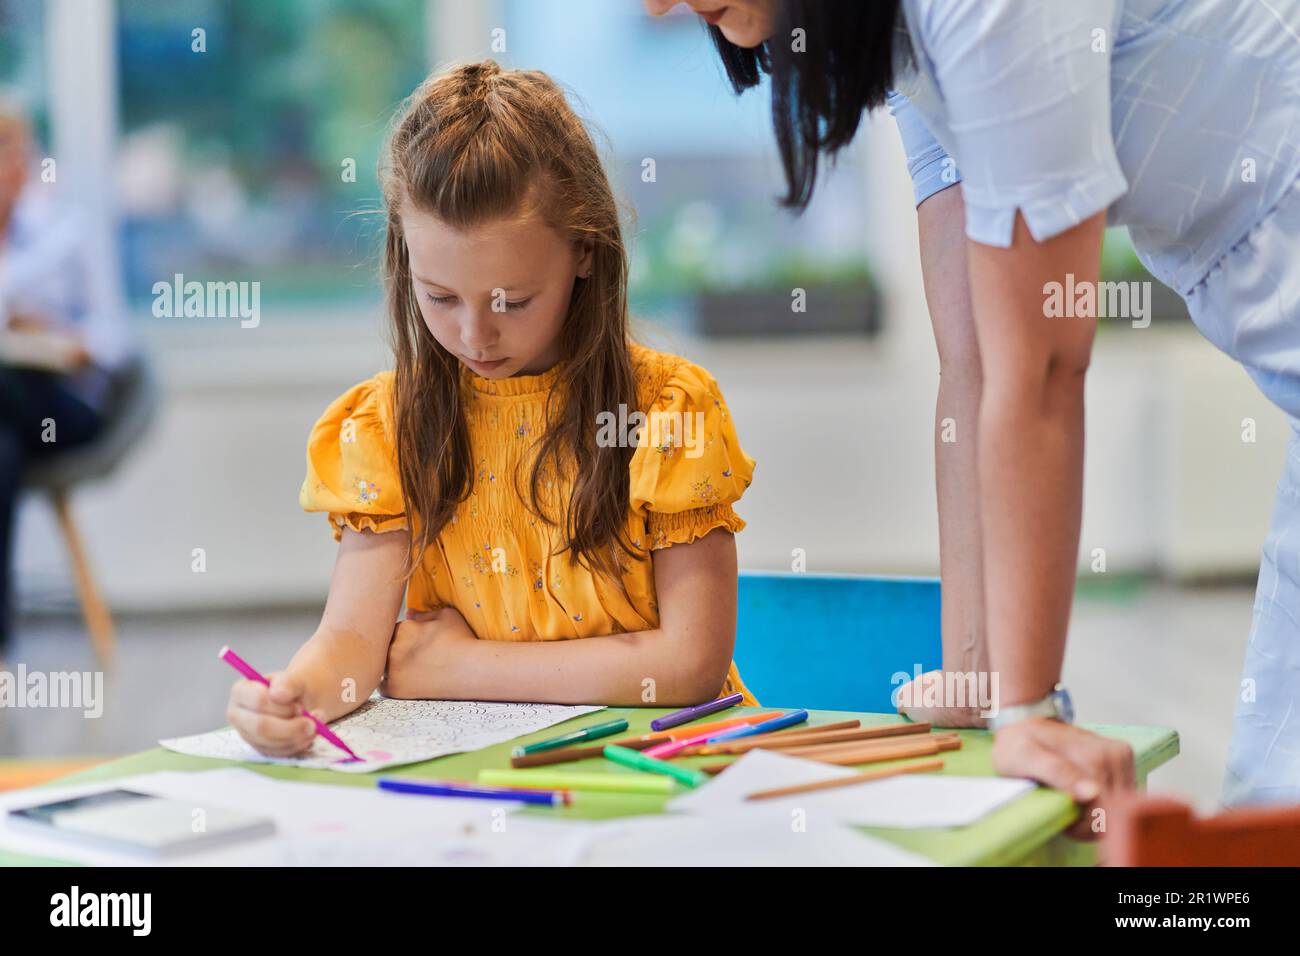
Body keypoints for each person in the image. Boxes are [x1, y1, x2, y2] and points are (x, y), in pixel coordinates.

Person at [644, 0, 1300, 816]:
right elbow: (978, 362)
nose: (656, 6)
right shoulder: (907, 37)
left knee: (1272, 819)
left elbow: (1046, 363)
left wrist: (1029, 709)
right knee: (1270, 815)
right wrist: (979, 674)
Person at [225, 62, 758, 757]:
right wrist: (292, 696)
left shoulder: (667, 412)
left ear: (586, 253)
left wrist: (455, 668)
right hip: (490, 772)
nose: (475, 336)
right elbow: (352, 647)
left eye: (512, 300)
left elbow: (690, 667)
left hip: (670, 764)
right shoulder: (386, 426)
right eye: (440, 297)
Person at [0, 97, 135, 657]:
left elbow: (117, 339)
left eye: (14, 149)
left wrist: (61, 334)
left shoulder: (65, 230)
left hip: (67, 404)